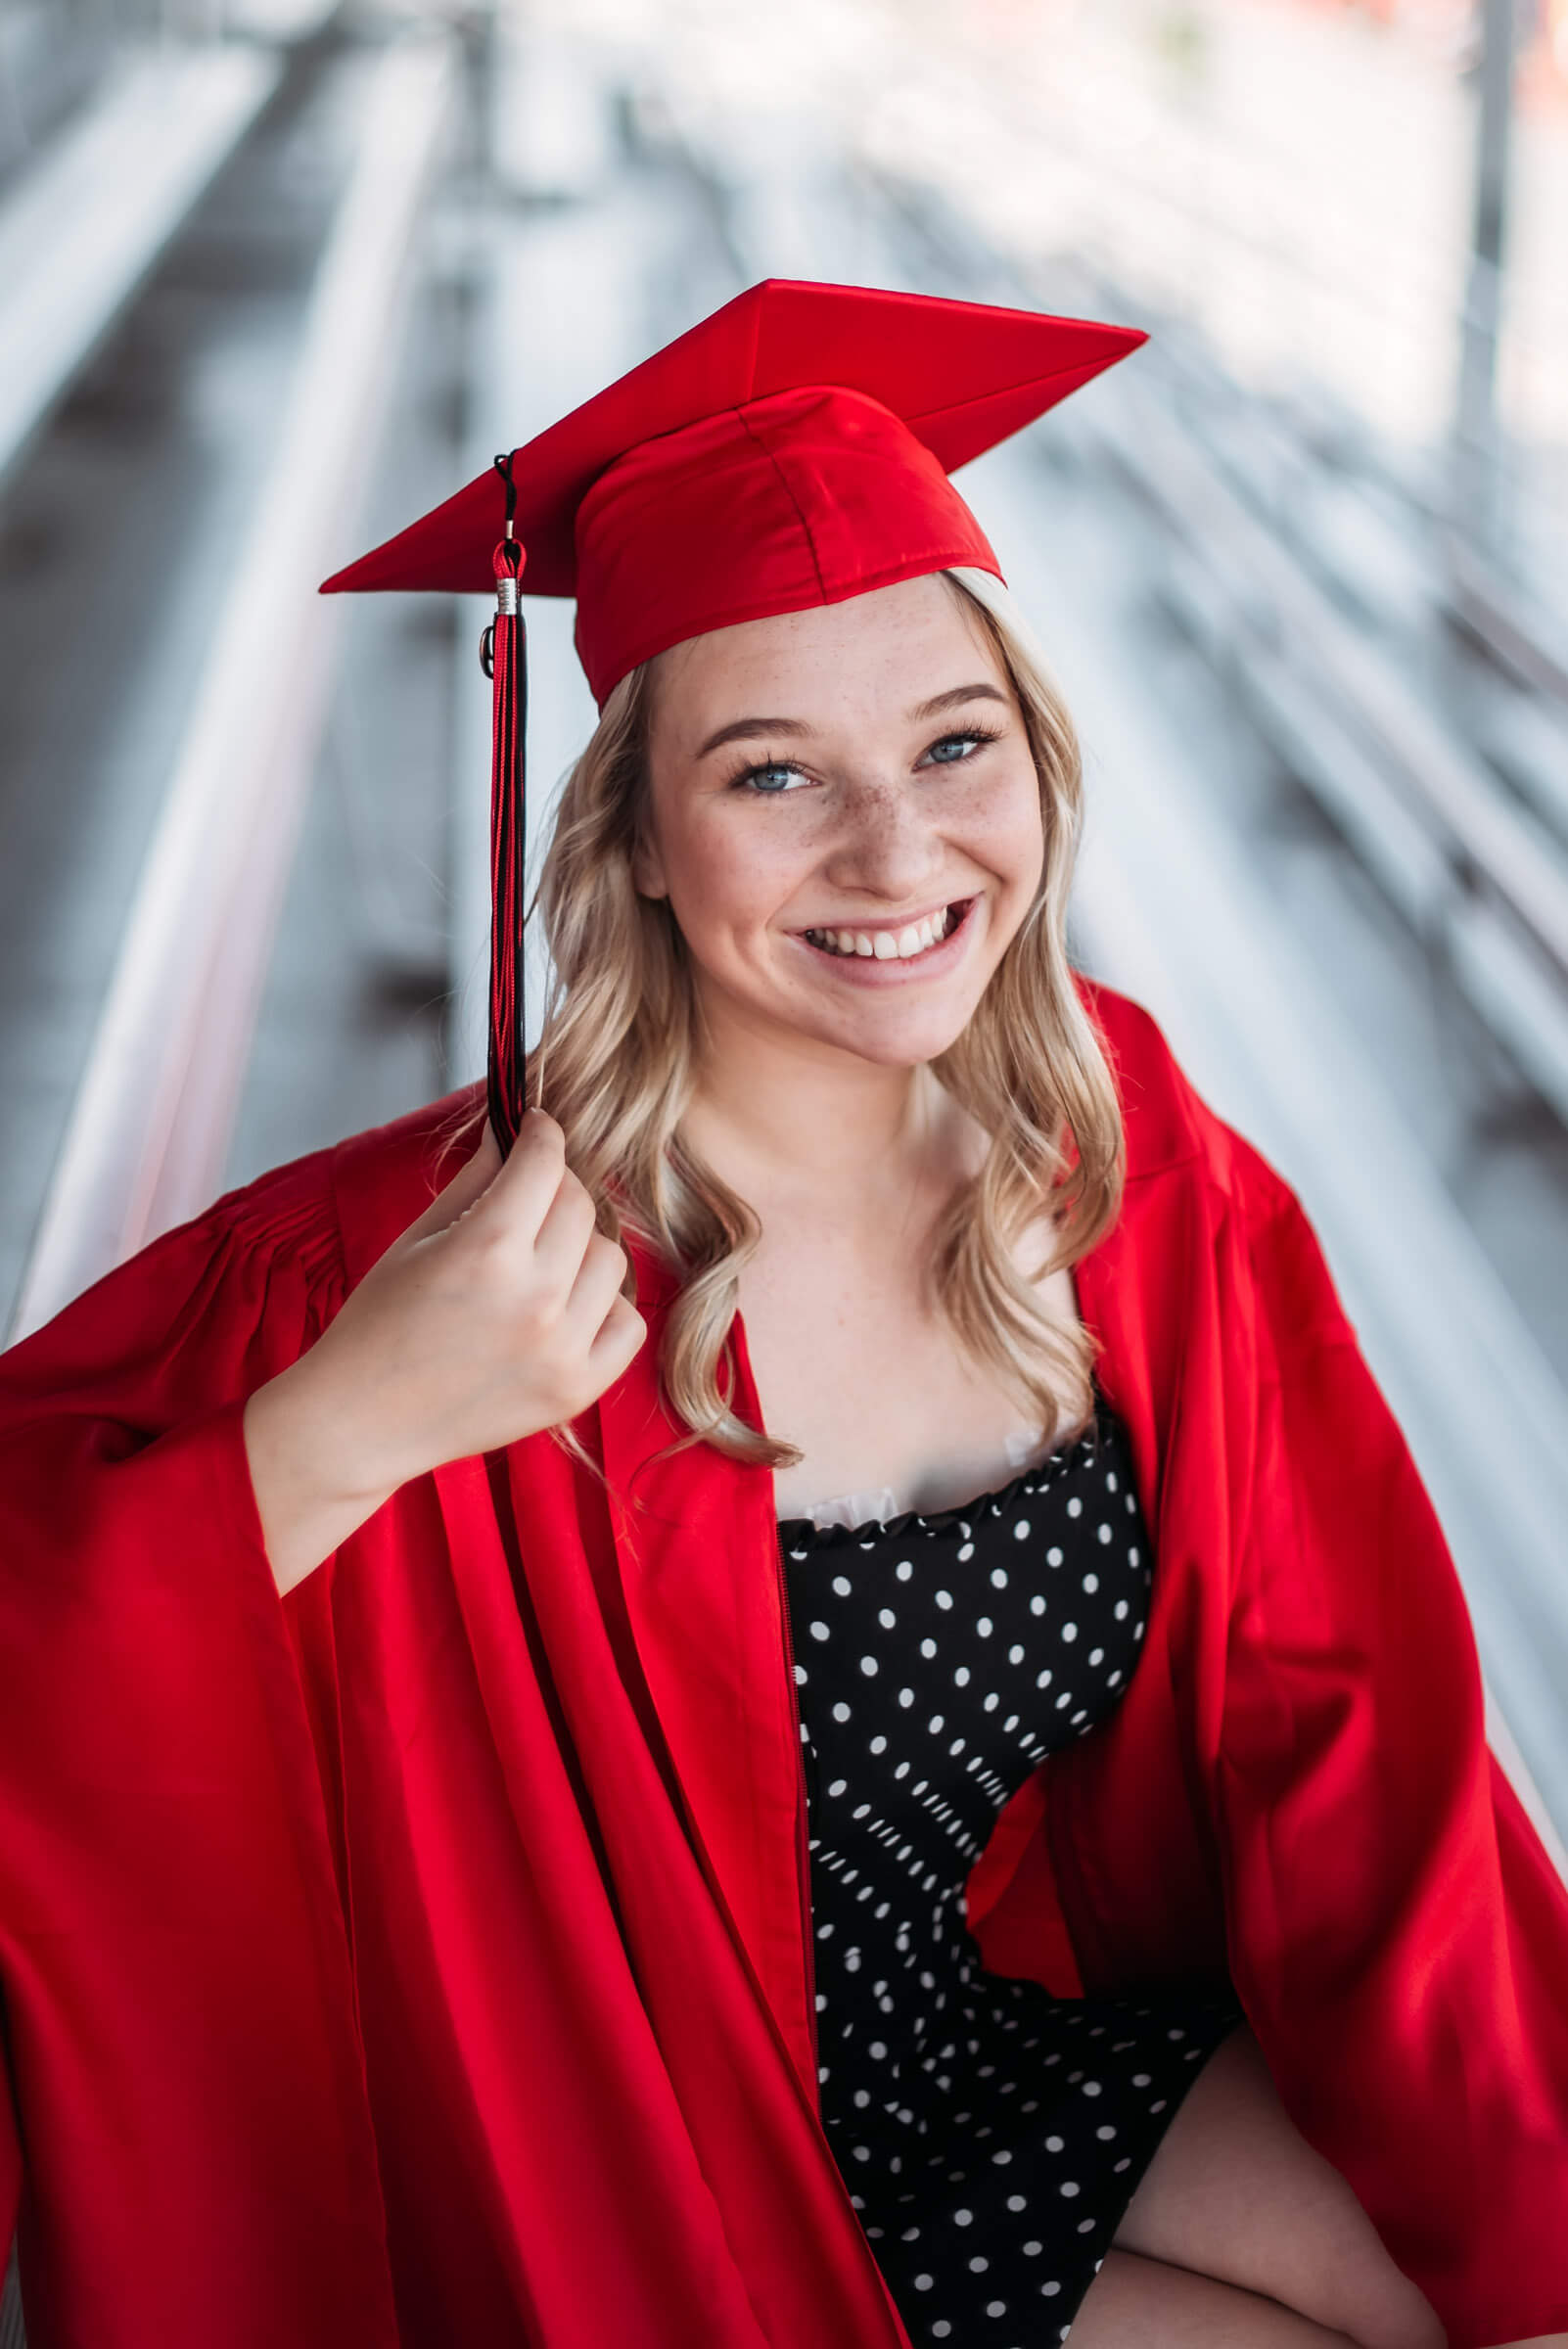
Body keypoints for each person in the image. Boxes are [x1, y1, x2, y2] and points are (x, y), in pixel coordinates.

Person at [0, 280, 1564, 2349]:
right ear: (633, 841)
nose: (898, 848)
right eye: (771, 777)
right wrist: (340, 1436)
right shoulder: (412, 1274)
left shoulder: (1112, 1147)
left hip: (964, 2052)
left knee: (1493, 2268)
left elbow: (1354, 1718)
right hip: (640, 2175)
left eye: (952, 743)